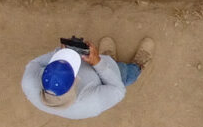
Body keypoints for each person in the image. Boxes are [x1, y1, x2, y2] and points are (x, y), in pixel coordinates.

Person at [22, 35, 152, 119]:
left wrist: (62, 53)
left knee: (109, 63)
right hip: (110, 76)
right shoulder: (91, 103)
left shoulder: (29, 82)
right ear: (75, 81)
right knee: (125, 74)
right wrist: (98, 63)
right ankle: (137, 67)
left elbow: (35, 63)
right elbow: (118, 89)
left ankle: (109, 58)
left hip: (99, 64)